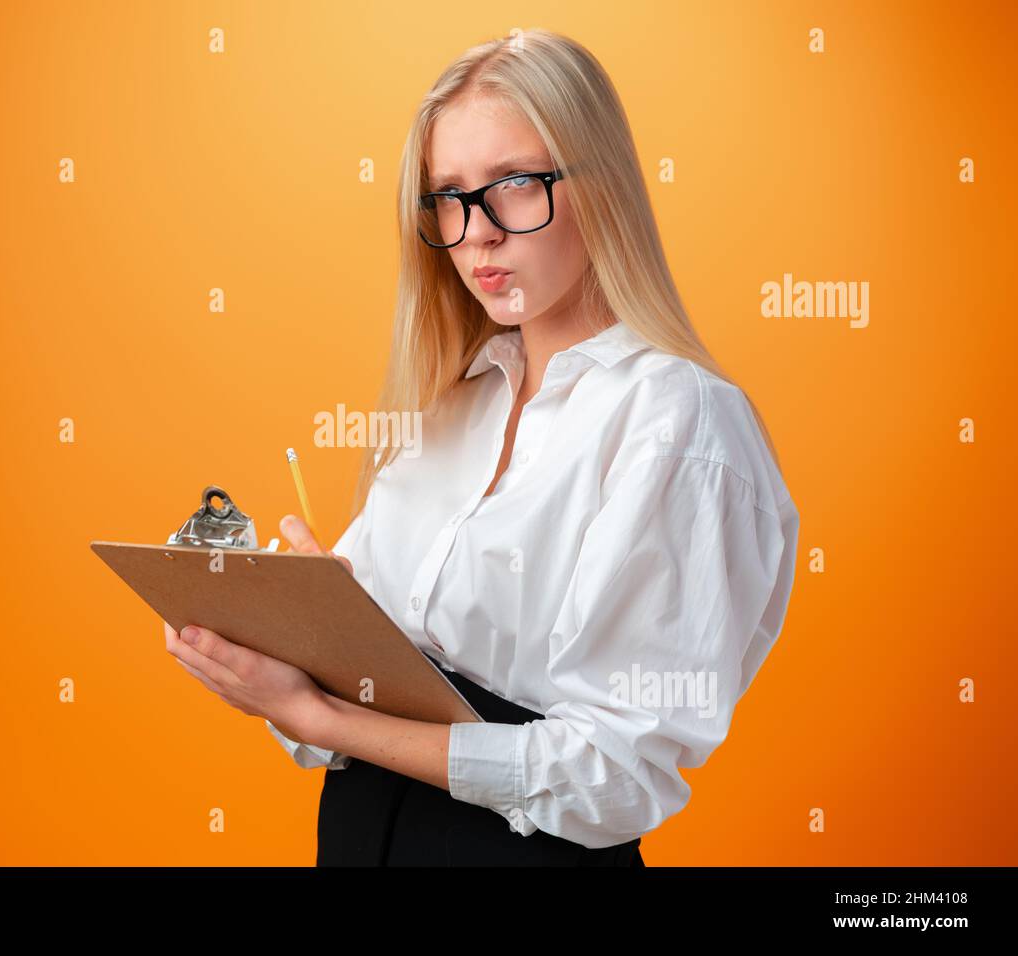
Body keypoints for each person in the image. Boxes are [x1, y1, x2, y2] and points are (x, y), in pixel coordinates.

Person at [165, 29, 800, 867]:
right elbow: (331, 721)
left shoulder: (677, 422)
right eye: (450, 197)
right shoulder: (446, 408)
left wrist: (328, 717)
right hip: (357, 836)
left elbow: (613, 776)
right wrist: (300, 640)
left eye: (514, 185)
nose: (478, 235)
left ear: (602, 184)